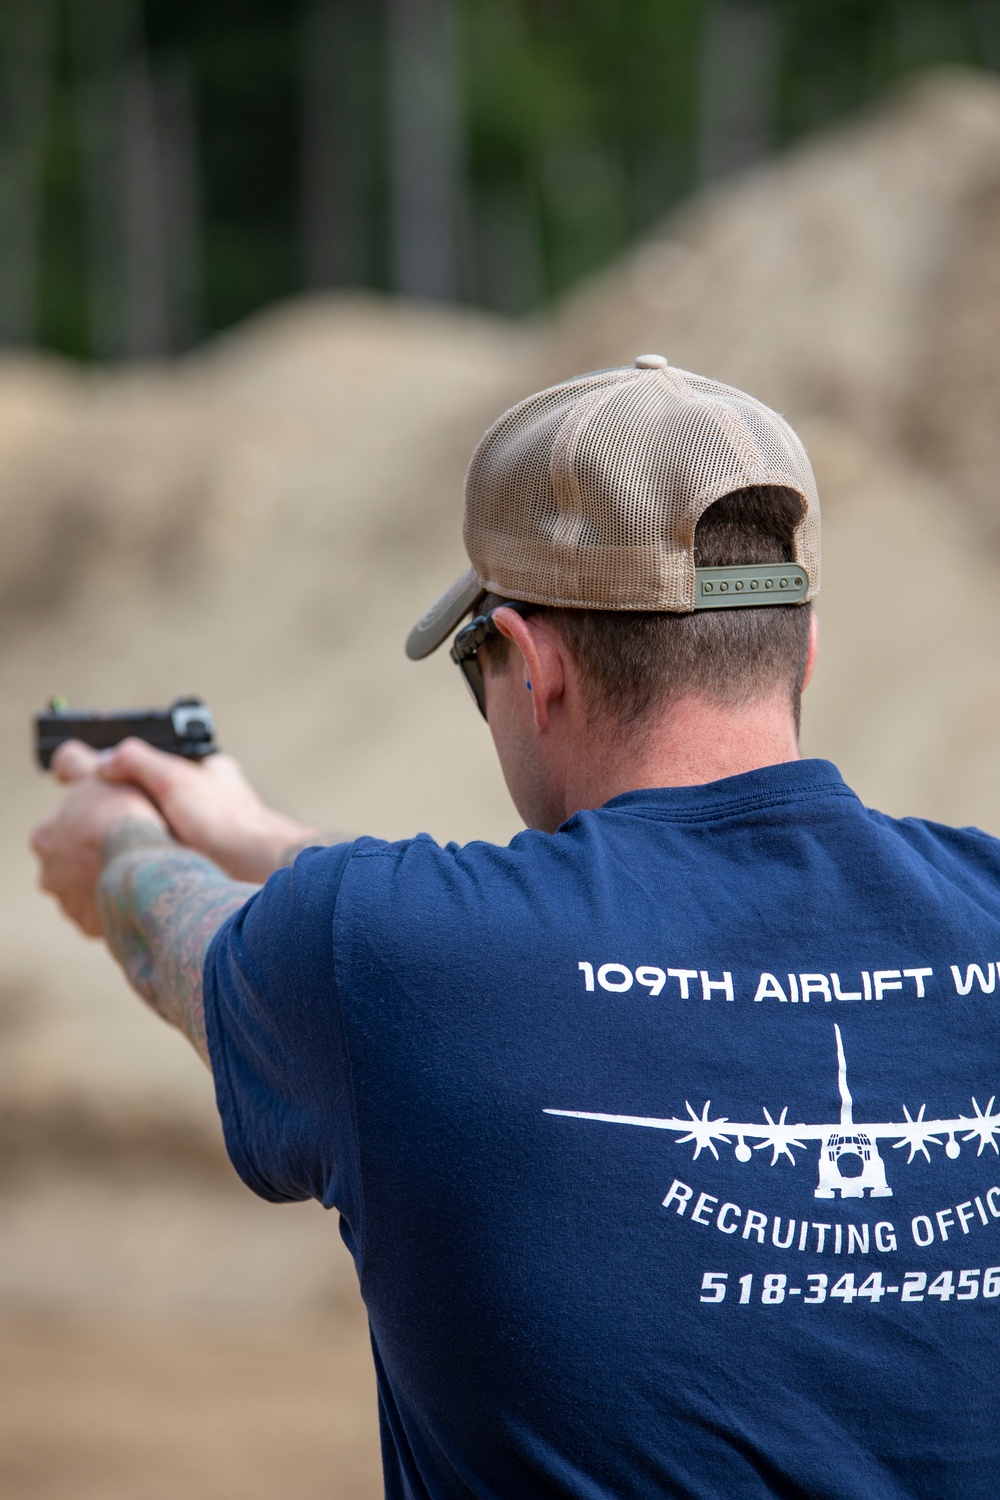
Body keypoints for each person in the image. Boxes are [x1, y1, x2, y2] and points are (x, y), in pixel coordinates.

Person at [30, 355, 1000, 1499]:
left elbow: (219, 945)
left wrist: (123, 847)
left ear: (531, 666)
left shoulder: (381, 956)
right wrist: (246, 826)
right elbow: (503, 940)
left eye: (474, 662)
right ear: (804, 644)